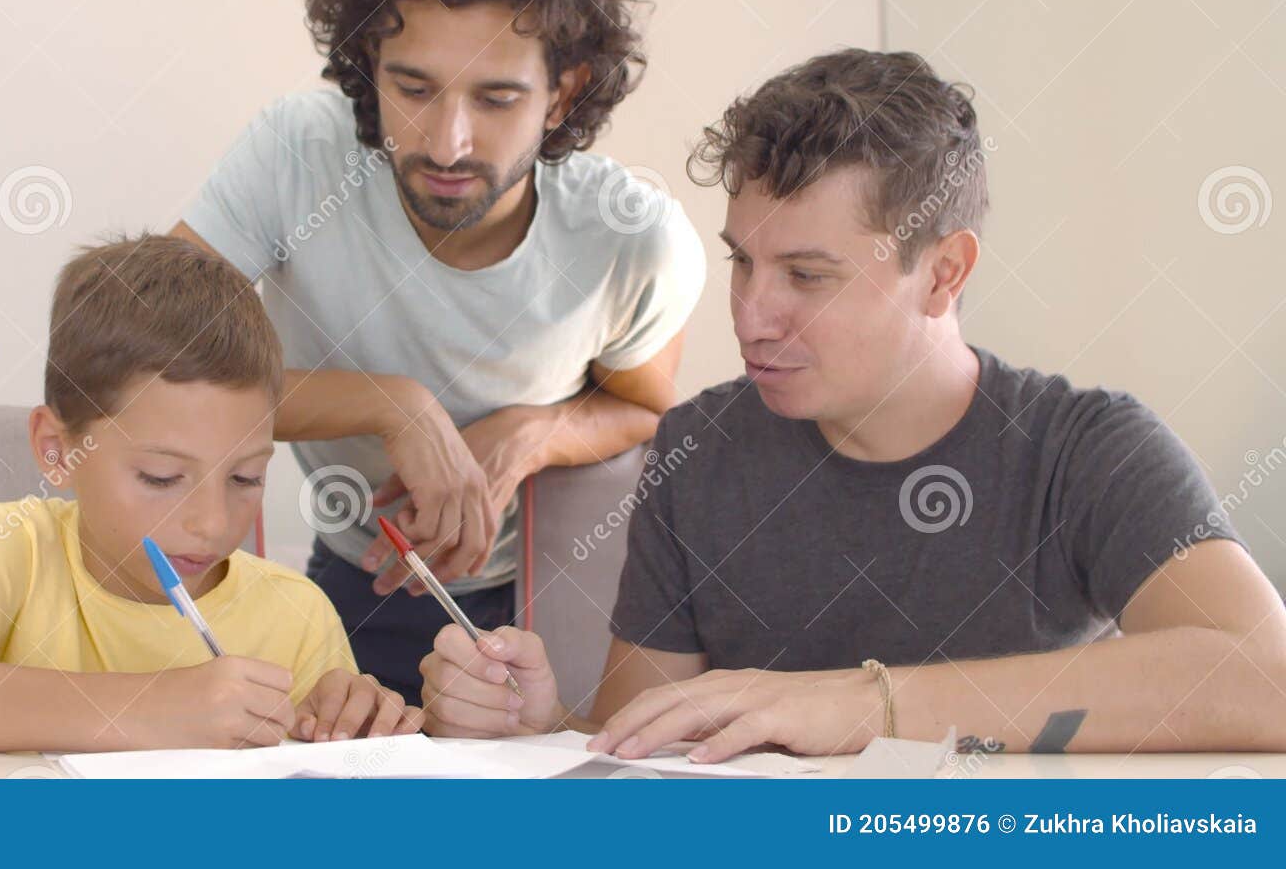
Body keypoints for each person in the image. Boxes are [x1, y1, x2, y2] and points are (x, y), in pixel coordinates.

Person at [418, 49, 1286, 758]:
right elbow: (645, 752)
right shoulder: (702, 449)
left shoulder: (1087, 452)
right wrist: (534, 731)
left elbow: (1267, 679)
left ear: (944, 273)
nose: (752, 316)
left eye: (807, 276)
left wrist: (865, 705)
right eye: (743, 264)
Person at [172, 0, 705, 702]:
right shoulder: (295, 155)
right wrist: (392, 406)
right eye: (413, 90)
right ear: (367, 69)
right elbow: (153, 371)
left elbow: (641, 407)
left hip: (550, 602)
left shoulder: (633, 238)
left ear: (563, 92)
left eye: (497, 98)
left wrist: (529, 434)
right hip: (354, 577)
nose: (447, 143)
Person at [0, 234, 420, 752]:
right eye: (160, 477)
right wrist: (151, 706)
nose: (211, 523)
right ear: (57, 450)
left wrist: (359, 726)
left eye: (245, 478)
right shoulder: (13, 552)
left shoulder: (297, 613)